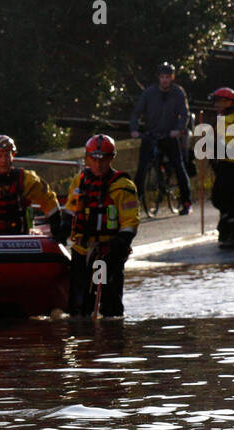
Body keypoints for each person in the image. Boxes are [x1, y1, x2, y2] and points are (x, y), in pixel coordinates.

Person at [61, 135, 139, 317]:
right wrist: (63, 229)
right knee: (78, 302)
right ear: (87, 159)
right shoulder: (80, 181)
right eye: (94, 160)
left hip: (107, 252)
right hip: (82, 250)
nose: (98, 165)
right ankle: (82, 337)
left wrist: (118, 244)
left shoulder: (123, 186)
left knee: (108, 302)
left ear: (111, 158)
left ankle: (112, 337)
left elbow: (130, 221)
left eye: (103, 159)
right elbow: (71, 209)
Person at [130, 62, 193, 215]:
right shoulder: (149, 93)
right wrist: (134, 129)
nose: (165, 80)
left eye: (168, 77)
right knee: (142, 169)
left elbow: (184, 114)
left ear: (172, 78)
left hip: (169, 135)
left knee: (179, 167)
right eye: (162, 77)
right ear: (158, 78)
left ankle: (186, 202)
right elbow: (136, 112)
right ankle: (134, 203)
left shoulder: (178, 92)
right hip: (151, 135)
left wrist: (178, 130)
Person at [209, 87, 234, 250]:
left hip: (232, 163)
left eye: (219, 101)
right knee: (220, 197)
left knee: (228, 198)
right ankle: (225, 229)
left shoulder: (232, 120)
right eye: (215, 101)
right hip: (226, 162)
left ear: (229, 102)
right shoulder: (224, 119)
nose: (216, 105)